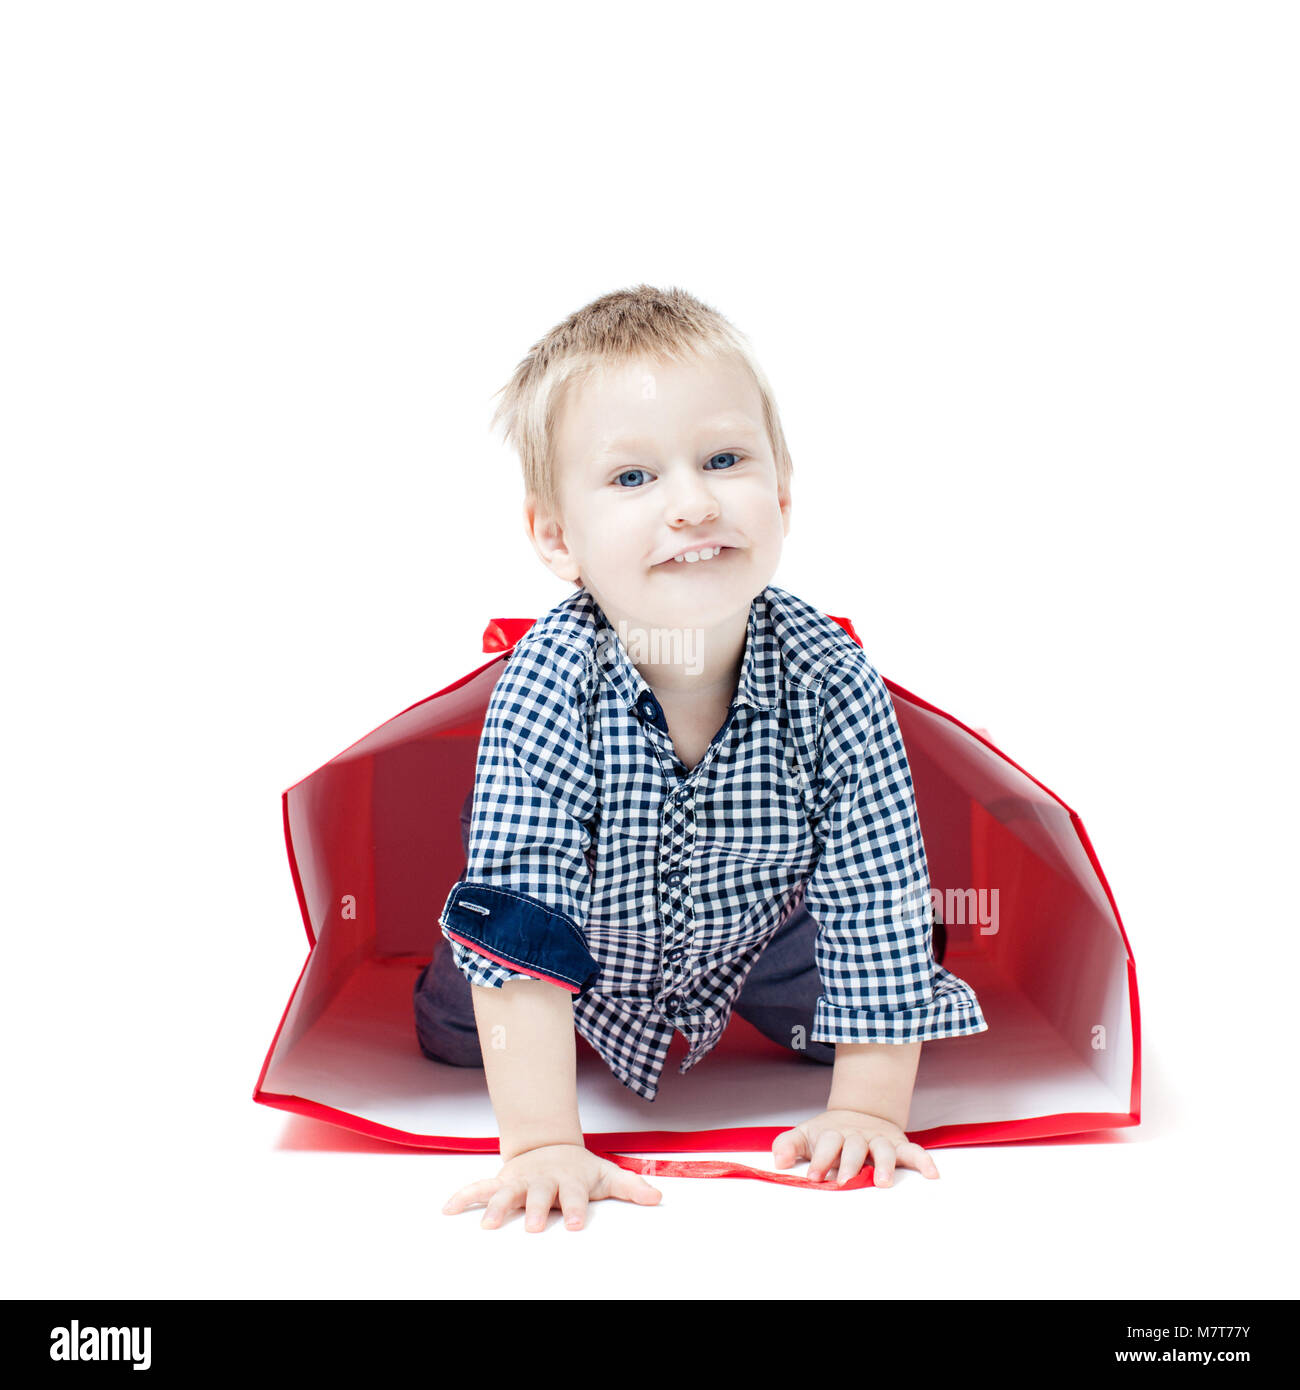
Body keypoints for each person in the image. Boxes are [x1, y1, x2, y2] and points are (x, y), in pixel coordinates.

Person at [415, 285, 987, 1231]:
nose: (691, 504)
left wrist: (867, 1110)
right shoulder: (547, 681)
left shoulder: (833, 677)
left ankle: (840, 1049)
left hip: (756, 937)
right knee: (459, 1021)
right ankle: (483, 1025)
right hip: (576, 941)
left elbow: (876, 890)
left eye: (723, 460)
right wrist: (546, 1142)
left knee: (872, 992)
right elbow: (520, 911)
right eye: (634, 478)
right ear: (558, 538)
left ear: (782, 496)